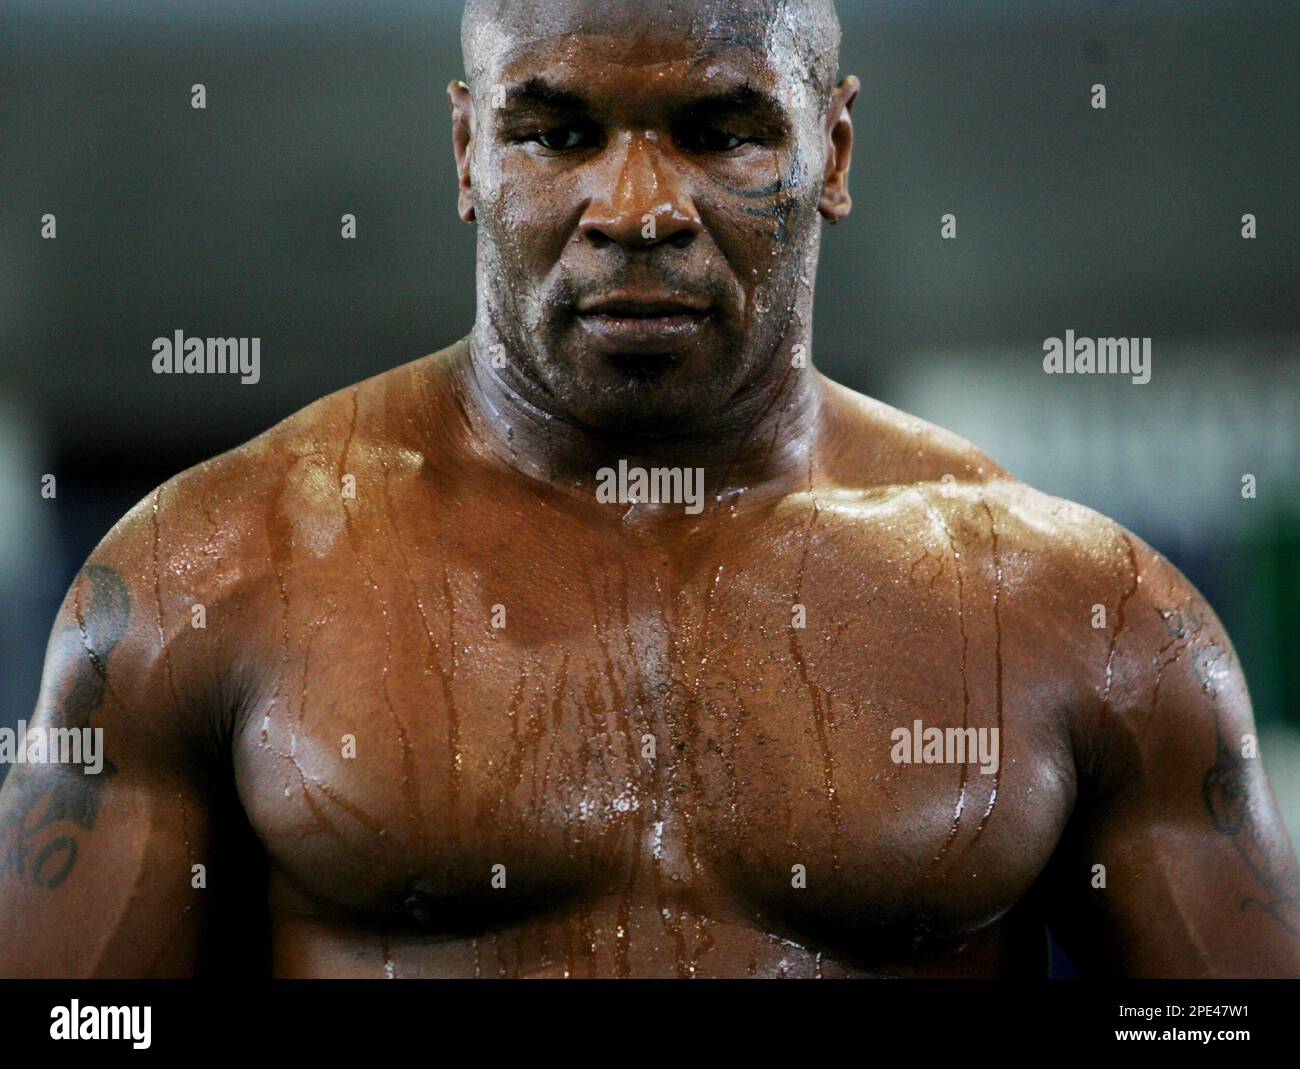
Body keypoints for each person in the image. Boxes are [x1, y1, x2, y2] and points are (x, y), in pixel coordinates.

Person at [2, 0, 1297, 977]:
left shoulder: (1090, 619)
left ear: (833, 148)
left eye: (719, 131)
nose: (636, 206)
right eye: (556, 132)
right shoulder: (210, 575)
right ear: (467, 150)